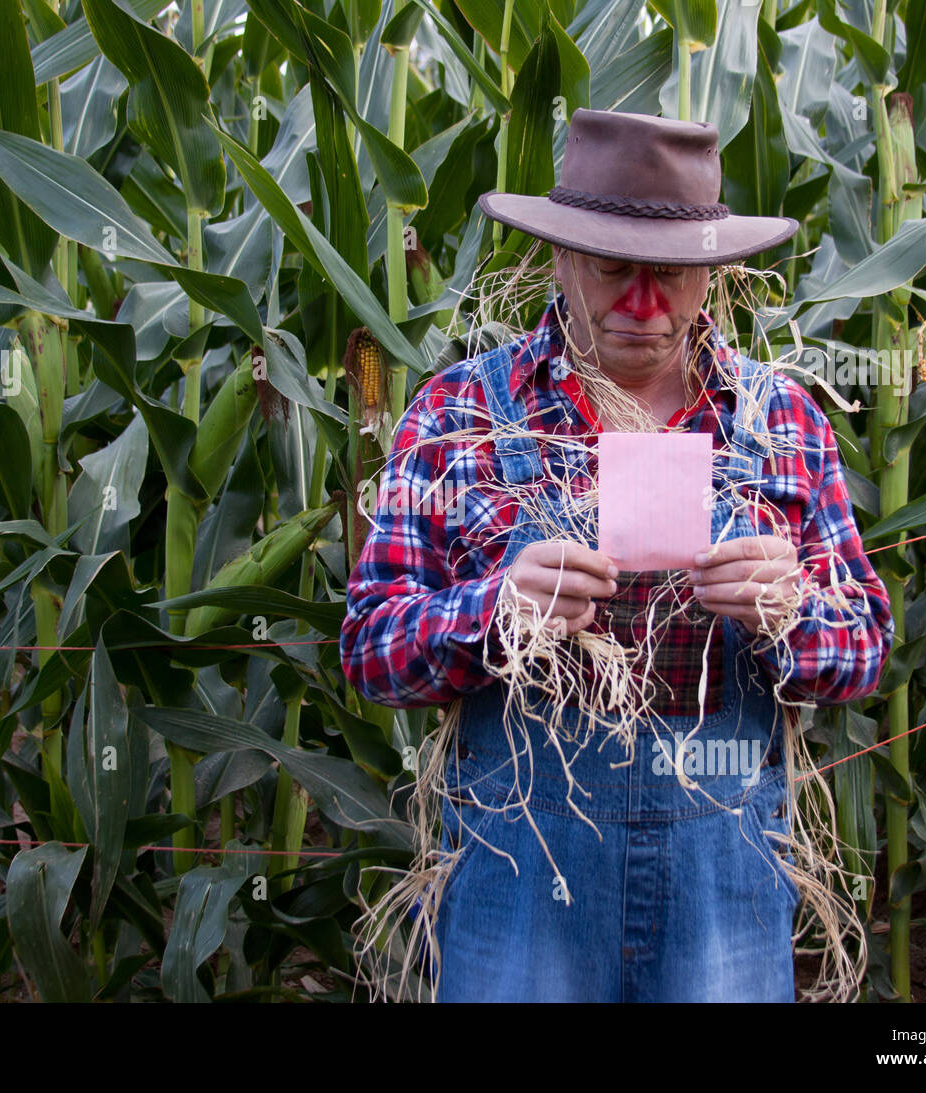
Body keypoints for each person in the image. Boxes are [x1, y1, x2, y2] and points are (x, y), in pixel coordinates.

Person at [339, 110, 893, 1002]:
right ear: (559, 257)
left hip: (723, 876)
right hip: (523, 872)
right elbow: (369, 650)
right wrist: (493, 611)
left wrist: (792, 611)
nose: (644, 306)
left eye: (672, 275)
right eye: (613, 269)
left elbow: (865, 645)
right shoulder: (458, 417)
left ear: (713, 273)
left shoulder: (782, 422)